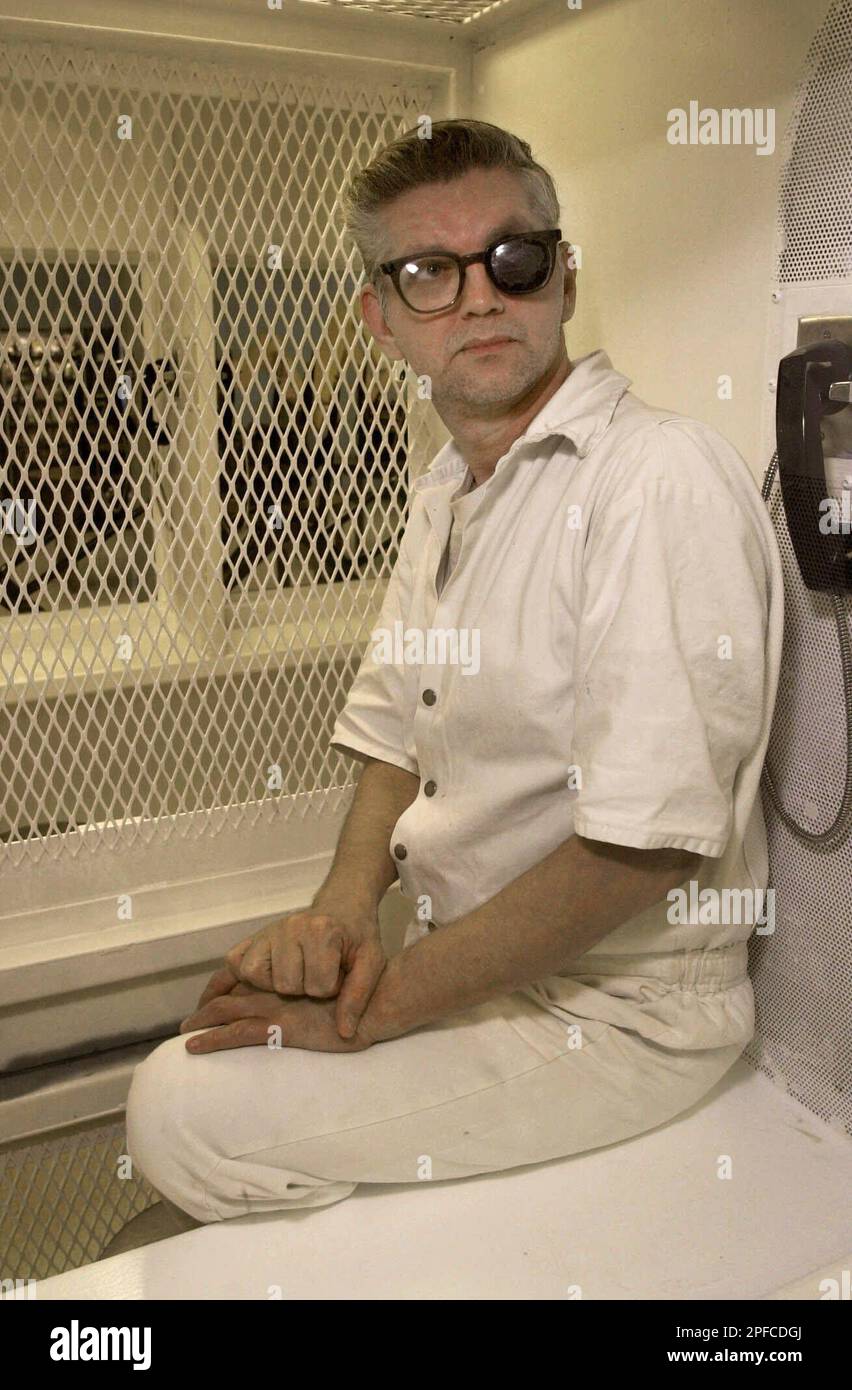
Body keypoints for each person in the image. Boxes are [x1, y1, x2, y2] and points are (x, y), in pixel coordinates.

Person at [102, 119, 783, 1259]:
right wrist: (337, 916)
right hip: (487, 969)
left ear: (563, 276)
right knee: (210, 1065)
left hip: (623, 1014)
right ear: (381, 317)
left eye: (512, 258)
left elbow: (645, 849)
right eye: (430, 271)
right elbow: (391, 735)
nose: (478, 297)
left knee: (179, 1113)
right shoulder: (450, 486)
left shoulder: (654, 481)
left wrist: (374, 1008)